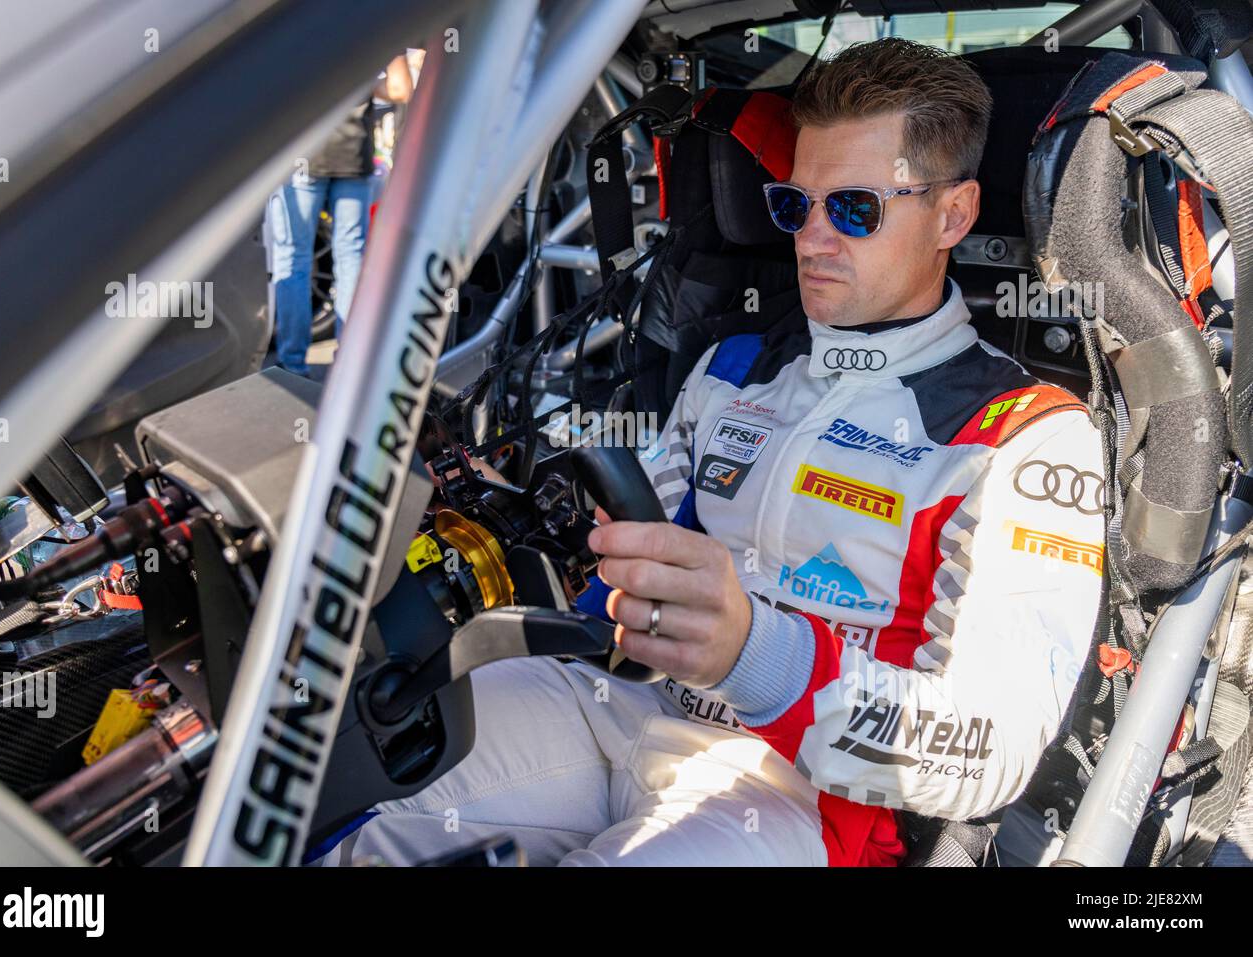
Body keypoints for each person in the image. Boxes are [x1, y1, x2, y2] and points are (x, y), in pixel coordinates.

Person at [322, 38, 1104, 867]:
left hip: (806, 792)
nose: (811, 238)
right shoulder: (731, 368)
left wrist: (751, 654)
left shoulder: (1024, 436)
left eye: (854, 210)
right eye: (792, 205)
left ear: (953, 213)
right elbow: (629, 550)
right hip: (618, 700)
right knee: (366, 792)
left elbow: (996, 749)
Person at [268, 57, 414, 376]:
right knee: (350, 258)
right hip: (353, 154)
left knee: (293, 259)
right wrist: (360, 87)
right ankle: (347, 364)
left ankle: (292, 365)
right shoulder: (367, 17)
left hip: (301, 152)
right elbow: (402, 88)